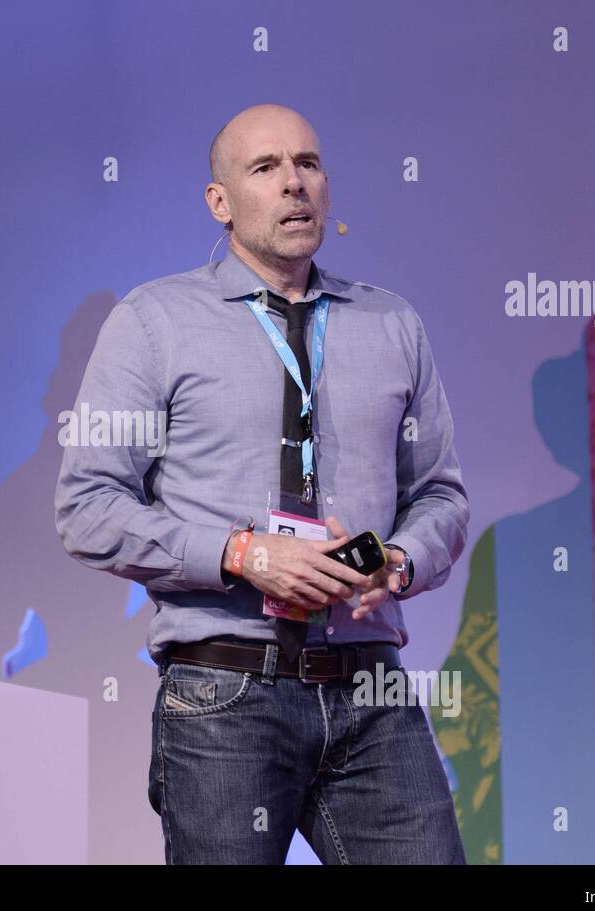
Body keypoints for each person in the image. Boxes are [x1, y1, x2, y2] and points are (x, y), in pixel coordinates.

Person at [55, 104, 469, 864]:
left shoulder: (391, 323)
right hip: (225, 692)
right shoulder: (155, 320)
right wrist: (240, 552)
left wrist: (399, 560)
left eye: (308, 164)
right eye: (266, 168)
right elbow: (87, 507)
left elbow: (441, 496)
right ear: (220, 202)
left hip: (370, 685)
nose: (294, 184)